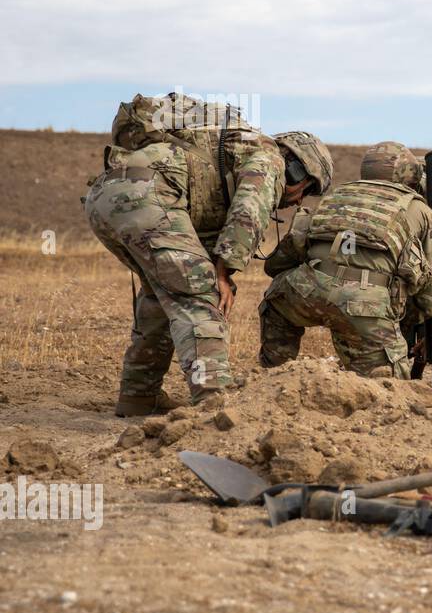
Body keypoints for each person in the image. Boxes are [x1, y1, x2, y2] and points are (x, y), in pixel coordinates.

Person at [85, 92, 332, 414]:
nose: (300, 202)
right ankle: (216, 405)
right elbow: (250, 208)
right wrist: (224, 271)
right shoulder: (269, 157)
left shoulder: (231, 154)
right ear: (298, 170)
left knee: (160, 299)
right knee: (201, 293)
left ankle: (139, 397)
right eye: (307, 191)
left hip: (106, 197)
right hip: (146, 197)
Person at [258, 141, 432, 379]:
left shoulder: (336, 196)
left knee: (276, 301)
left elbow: (276, 265)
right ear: (411, 176)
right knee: (390, 391)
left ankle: (273, 379)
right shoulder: (423, 213)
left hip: (305, 291)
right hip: (366, 308)